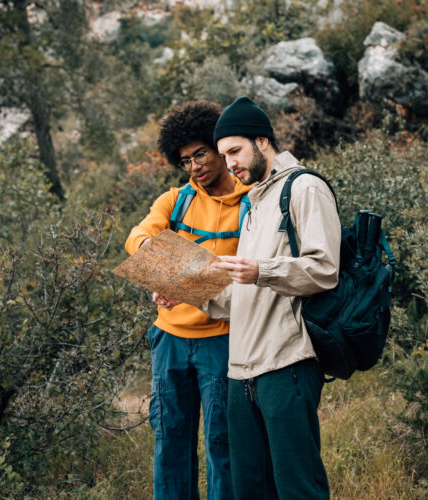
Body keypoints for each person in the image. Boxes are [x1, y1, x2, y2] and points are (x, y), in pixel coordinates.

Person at [170, 96, 341, 499]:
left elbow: (325, 269)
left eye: (234, 151)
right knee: (249, 488)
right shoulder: (255, 202)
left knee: (298, 487)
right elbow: (244, 296)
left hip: (287, 364)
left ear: (262, 141)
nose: (229, 164)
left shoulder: (304, 188)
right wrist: (187, 292)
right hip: (240, 372)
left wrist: (261, 270)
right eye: (224, 154)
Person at [125, 100, 251, 500]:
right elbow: (137, 240)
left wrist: (180, 279)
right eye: (185, 160)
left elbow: (250, 270)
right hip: (169, 342)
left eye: (200, 154)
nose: (195, 166)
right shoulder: (174, 200)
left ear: (219, 148)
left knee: (222, 442)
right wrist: (173, 273)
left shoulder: (252, 203)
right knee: (170, 441)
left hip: (223, 339)